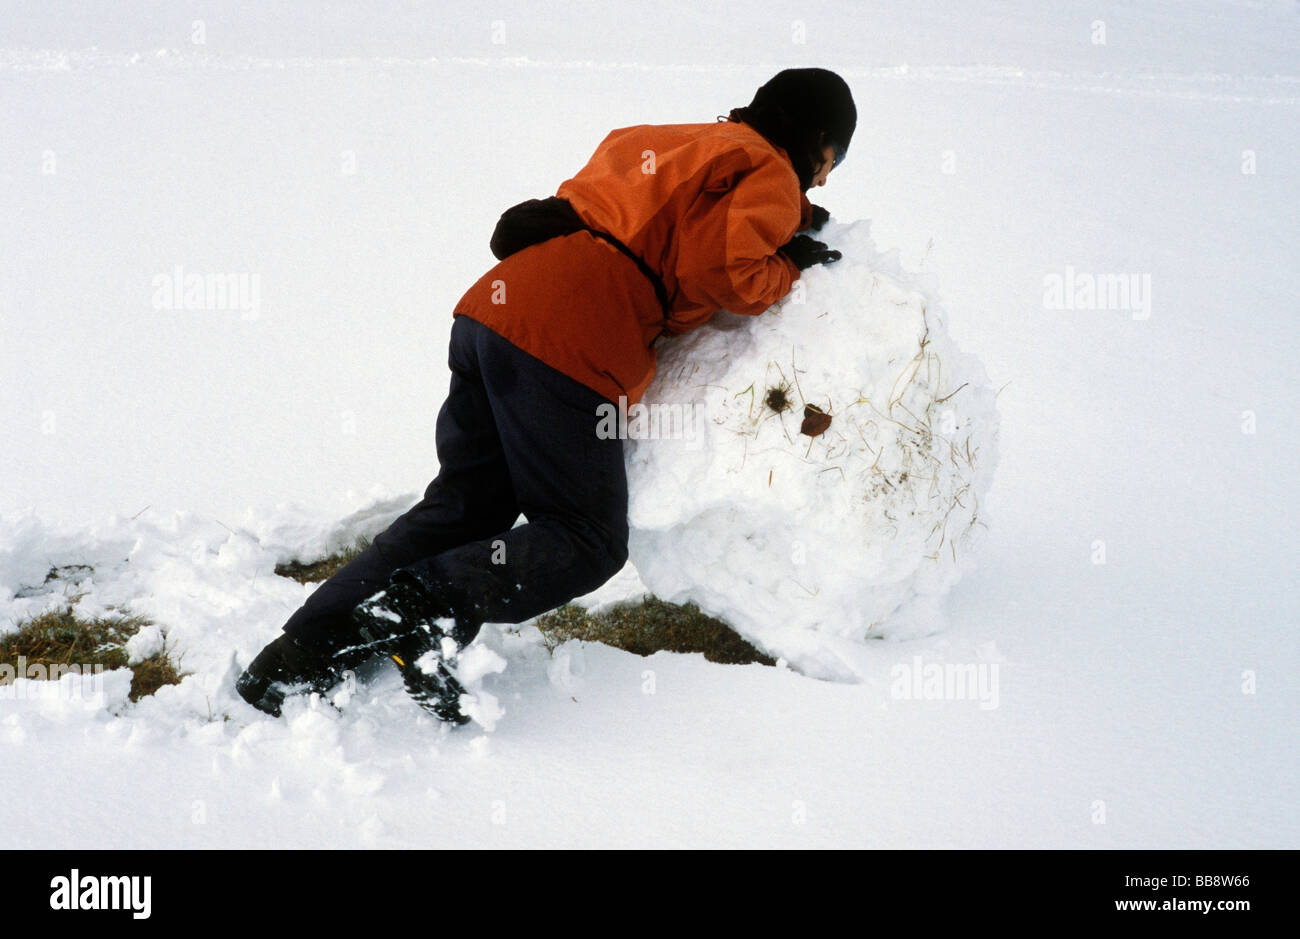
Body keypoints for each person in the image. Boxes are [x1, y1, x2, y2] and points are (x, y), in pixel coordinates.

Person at [236, 67, 857, 723]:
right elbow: (723, 268)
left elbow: (662, 213)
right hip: (571, 336)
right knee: (587, 536)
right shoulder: (771, 172)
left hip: (494, 309)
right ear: (814, 135)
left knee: (465, 509)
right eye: (830, 160)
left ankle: (296, 657)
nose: (821, 179)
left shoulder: (668, 140)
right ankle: (429, 606)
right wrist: (788, 263)